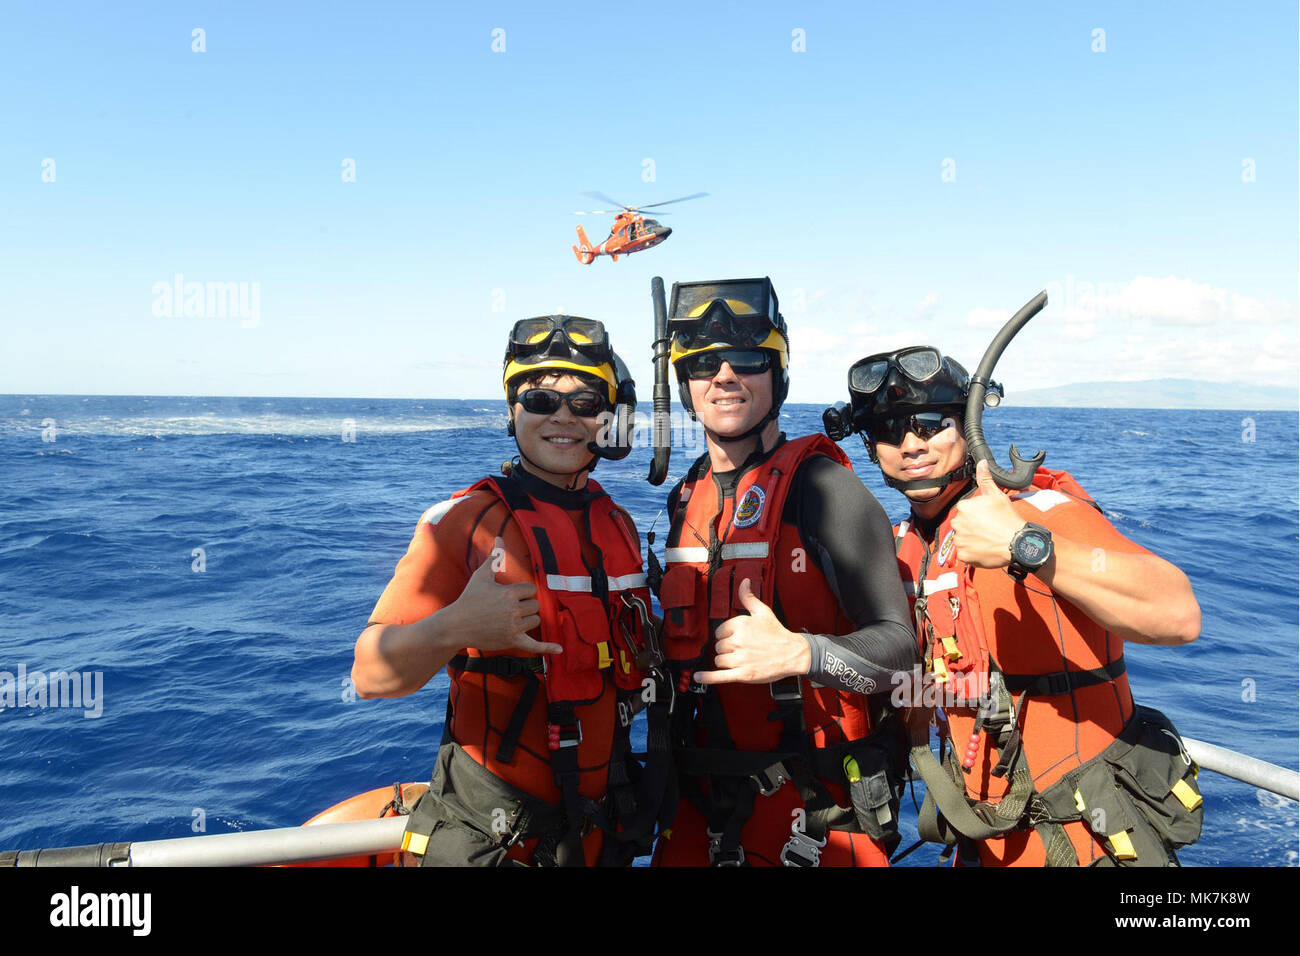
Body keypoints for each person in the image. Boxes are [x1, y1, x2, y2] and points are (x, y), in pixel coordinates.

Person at [829, 346, 1204, 866]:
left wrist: (1024, 544)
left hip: (1086, 839)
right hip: (984, 837)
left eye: (931, 423)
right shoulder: (906, 547)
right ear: (872, 449)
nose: (911, 443)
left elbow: (1178, 614)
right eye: (889, 431)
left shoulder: (1040, 512)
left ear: (968, 423)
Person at [351, 316, 671, 866]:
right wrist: (457, 627)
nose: (563, 417)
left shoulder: (617, 524)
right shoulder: (464, 521)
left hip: (596, 838)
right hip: (495, 842)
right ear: (512, 412)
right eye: (541, 399)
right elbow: (369, 676)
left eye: (586, 401)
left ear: (610, 418)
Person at [649, 277, 918, 867]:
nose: (723, 377)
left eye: (747, 361)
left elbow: (902, 652)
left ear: (779, 375)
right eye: (700, 364)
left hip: (812, 813)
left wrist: (803, 653)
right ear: (684, 383)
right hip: (702, 806)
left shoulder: (823, 489)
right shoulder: (685, 497)